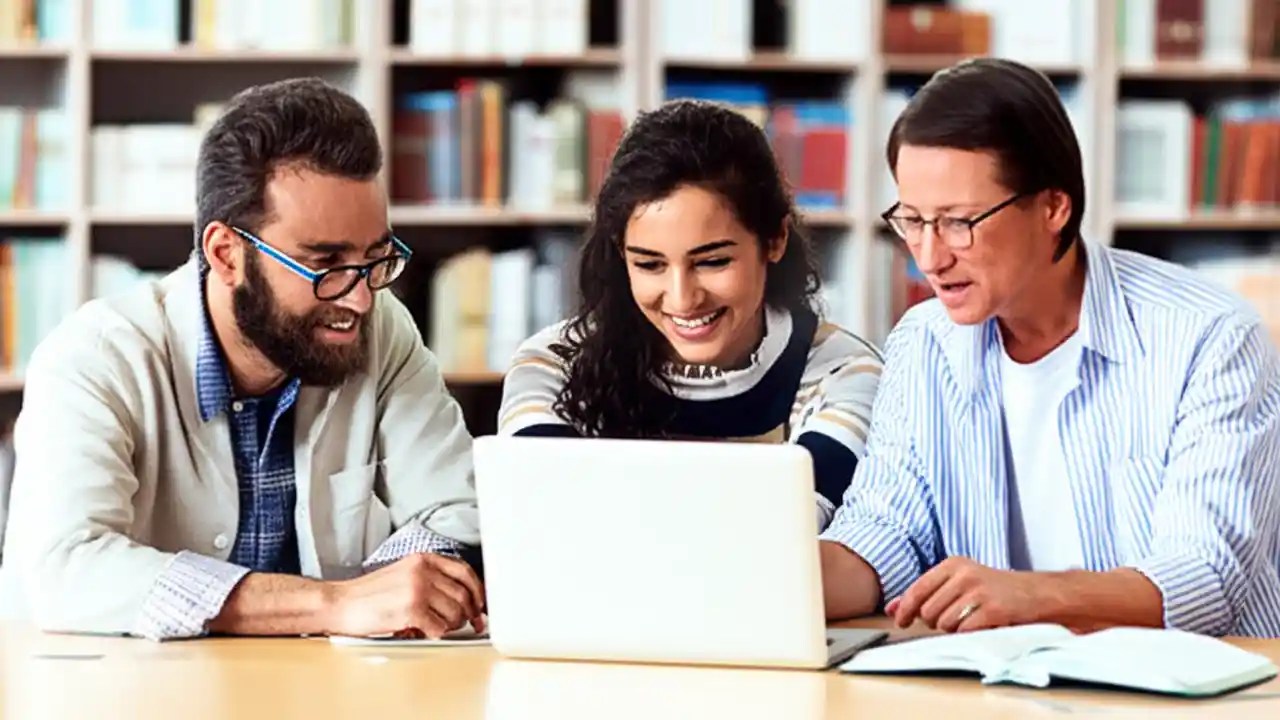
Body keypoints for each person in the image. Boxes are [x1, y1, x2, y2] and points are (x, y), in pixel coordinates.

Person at [0, 78, 486, 641]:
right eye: (326, 263)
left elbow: (460, 512)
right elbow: (65, 568)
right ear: (225, 255)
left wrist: (397, 588)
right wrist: (333, 604)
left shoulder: (381, 329)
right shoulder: (94, 358)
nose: (359, 298)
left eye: (375, 258)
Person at [819, 57, 1280, 638]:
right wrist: (777, 577)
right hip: (1012, 686)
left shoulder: (1208, 337)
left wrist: (1026, 594)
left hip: (1200, 691)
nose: (928, 258)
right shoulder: (924, 341)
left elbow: (1205, 578)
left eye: (959, 223)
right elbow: (886, 533)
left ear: (1053, 208)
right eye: (912, 220)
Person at [496, 99, 884, 530]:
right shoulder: (550, 365)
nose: (682, 300)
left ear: (774, 240)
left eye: (712, 262)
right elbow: (549, 525)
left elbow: (782, 533)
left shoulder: (847, 372)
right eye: (649, 264)